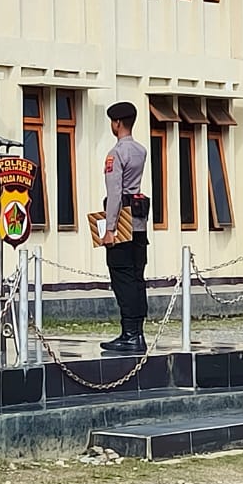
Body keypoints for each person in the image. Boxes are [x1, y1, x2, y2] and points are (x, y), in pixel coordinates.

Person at [99, 101, 150, 354]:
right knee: (137, 276)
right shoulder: (141, 150)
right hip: (139, 220)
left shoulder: (115, 153)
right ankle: (137, 332)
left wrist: (110, 228)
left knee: (122, 277)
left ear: (117, 123)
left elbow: (115, 192)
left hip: (122, 220)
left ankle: (129, 334)